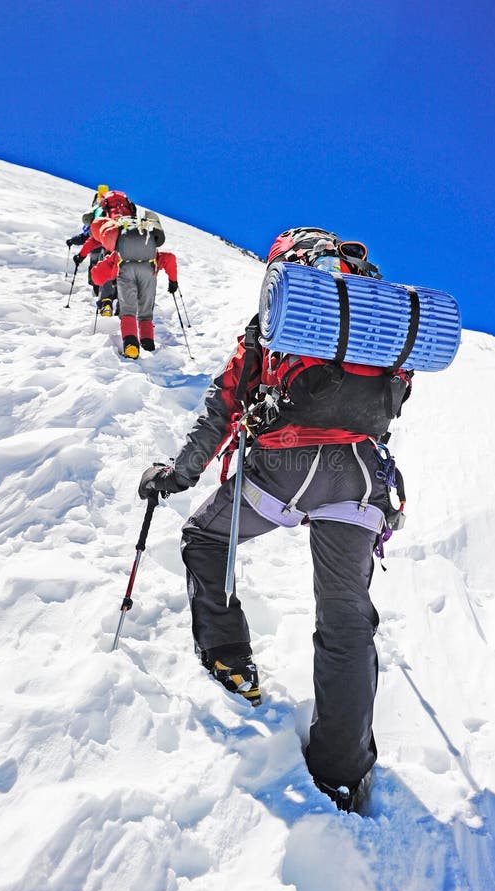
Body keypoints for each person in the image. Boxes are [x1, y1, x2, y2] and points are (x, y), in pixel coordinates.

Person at [137, 228, 412, 812]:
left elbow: (224, 403)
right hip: (361, 477)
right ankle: (344, 771)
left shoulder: (276, 322)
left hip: (282, 470)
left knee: (202, 538)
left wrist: (181, 474)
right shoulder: (375, 320)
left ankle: (229, 659)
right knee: (345, 620)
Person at [87, 214, 173, 357]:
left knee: (128, 311)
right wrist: (173, 280)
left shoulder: (118, 250)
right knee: (146, 313)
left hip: (125, 271)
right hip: (148, 271)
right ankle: (148, 343)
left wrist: (98, 278)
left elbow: (98, 275)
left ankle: (131, 346)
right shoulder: (149, 246)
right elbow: (169, 258)